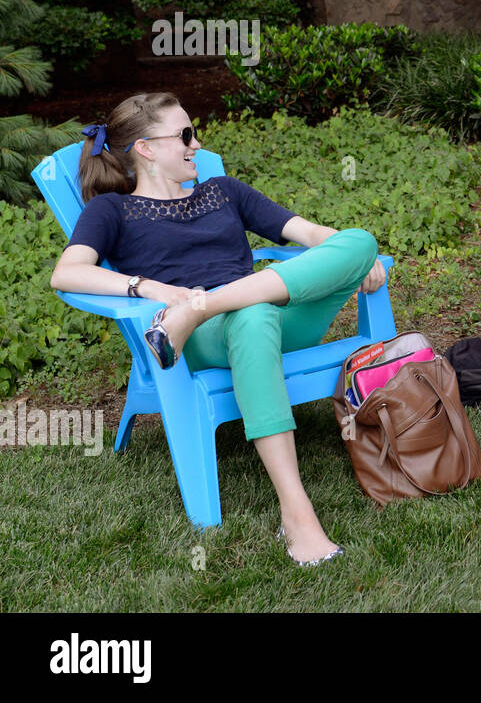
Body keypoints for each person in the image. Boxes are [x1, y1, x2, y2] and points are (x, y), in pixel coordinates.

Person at [49, 92, 386, 567]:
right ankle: (296, 512)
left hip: (246, 320)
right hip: (211, 341)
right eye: (185, 134)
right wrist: (153, 290)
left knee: (361, 240)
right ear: (145, 148)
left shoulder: (224, 190)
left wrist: (352, 259)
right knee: (254, 313)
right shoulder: (112, 211)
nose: (196, 143)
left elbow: (309, 233)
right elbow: (67, 273)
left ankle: (205, 306)